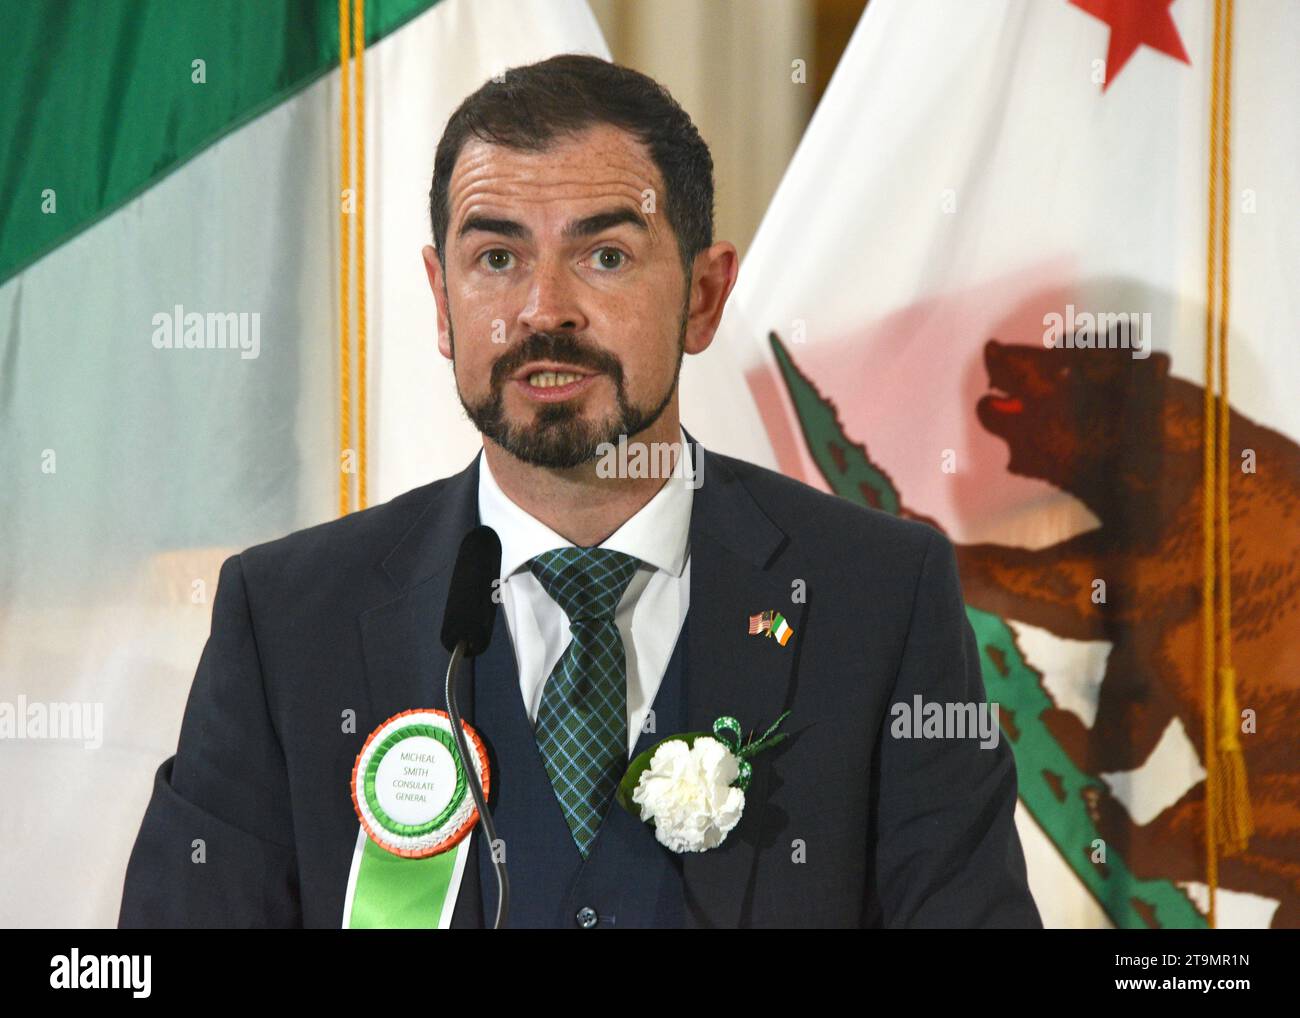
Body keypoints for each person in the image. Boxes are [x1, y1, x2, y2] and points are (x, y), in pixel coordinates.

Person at [119, 53, 1041, 929]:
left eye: (604, 256)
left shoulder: (879, 597)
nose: (542, 308)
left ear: (704, 296)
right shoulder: (286, 620)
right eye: (496, 259)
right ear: (442, 301)